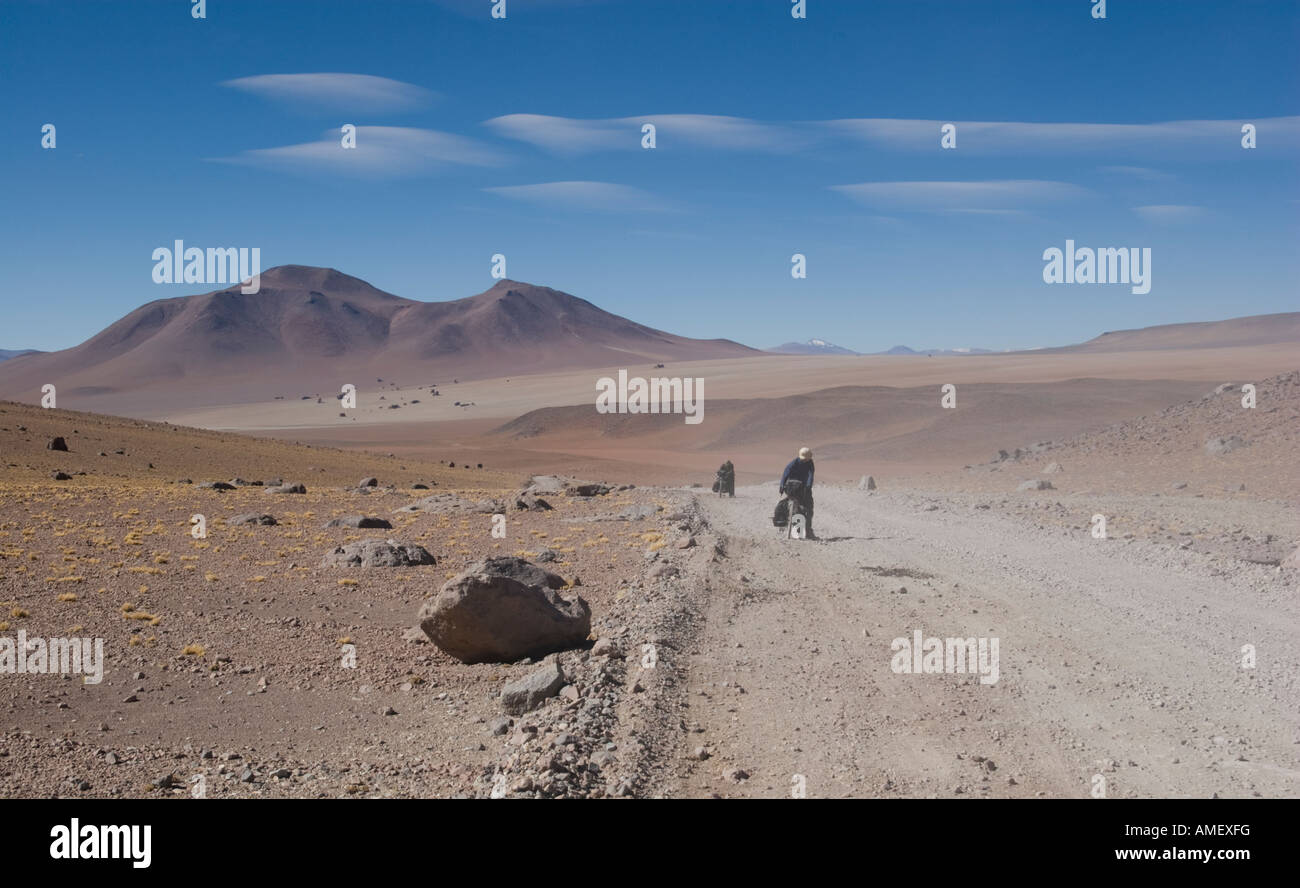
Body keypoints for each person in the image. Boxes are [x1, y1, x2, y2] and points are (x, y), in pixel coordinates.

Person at [779, 447, 816, 539]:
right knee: (808, 508)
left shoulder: (794, 462)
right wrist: (808, 486)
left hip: (796, 487)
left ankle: (804, 530)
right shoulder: (807, 463)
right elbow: (810, 476)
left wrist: (782, 486)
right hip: (798, 488)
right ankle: (807, 532)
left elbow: (785, 474)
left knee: (805, 508)